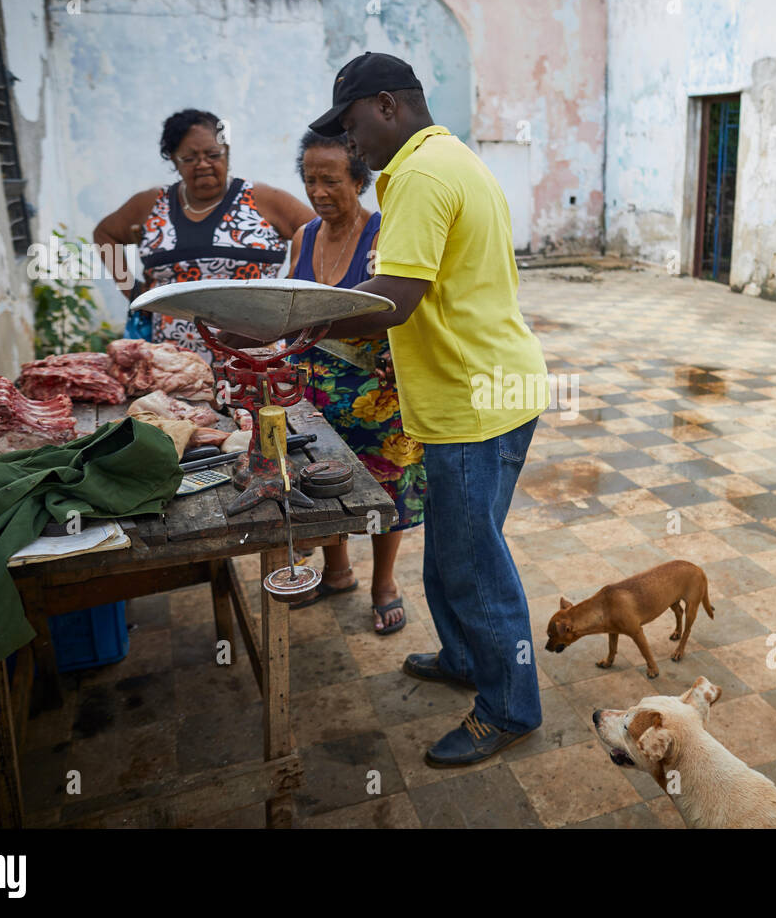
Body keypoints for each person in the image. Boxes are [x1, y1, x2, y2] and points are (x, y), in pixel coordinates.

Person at [305, 53, 549, 768]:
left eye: (352, 130)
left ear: (387, 106)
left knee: (474, 564)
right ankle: (466, 658)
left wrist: (296, 321)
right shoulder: (456, 159)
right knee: (452, 551)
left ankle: (508, 706)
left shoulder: (413, 173)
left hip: (473, 402)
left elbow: (392, 301)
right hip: (491, 388)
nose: (352, 150)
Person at [285, 129, 426, 633]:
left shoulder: (384, 233)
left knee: (388, 488)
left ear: (360, 180)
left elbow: (400, 309)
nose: (319, 192)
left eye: (331, 180)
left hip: (378, 392)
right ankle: (336, 570)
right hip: (313, 389)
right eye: (310, 180)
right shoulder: (303, 237)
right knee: (323, 480)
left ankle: (383, 582)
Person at [94, 108, 313, 363]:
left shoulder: (264, 199)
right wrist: (131, 290)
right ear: (174, 160)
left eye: (213, 154)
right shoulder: (151, 204)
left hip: (252, 363)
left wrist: (290, 285)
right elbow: (104, 234)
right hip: (172, 364)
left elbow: (317, 234)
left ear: (227, 153)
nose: (203, 164)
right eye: (189, 158)